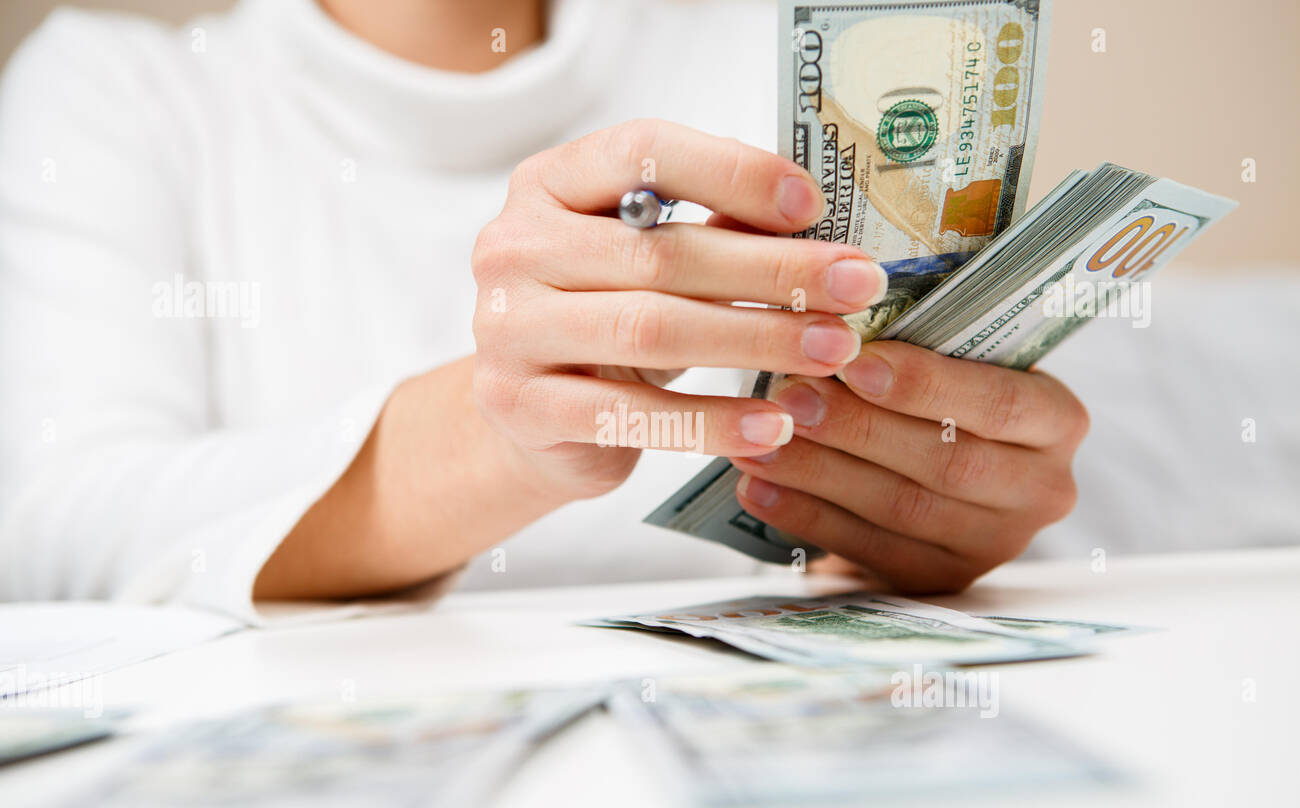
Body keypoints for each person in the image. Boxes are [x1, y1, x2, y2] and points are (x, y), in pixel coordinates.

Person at [0, 0, 1089, 620]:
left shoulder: (784, 39)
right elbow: (56, 542)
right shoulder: (112, 97)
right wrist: (501, 438)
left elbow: (1020, 484)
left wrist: (941, 510)